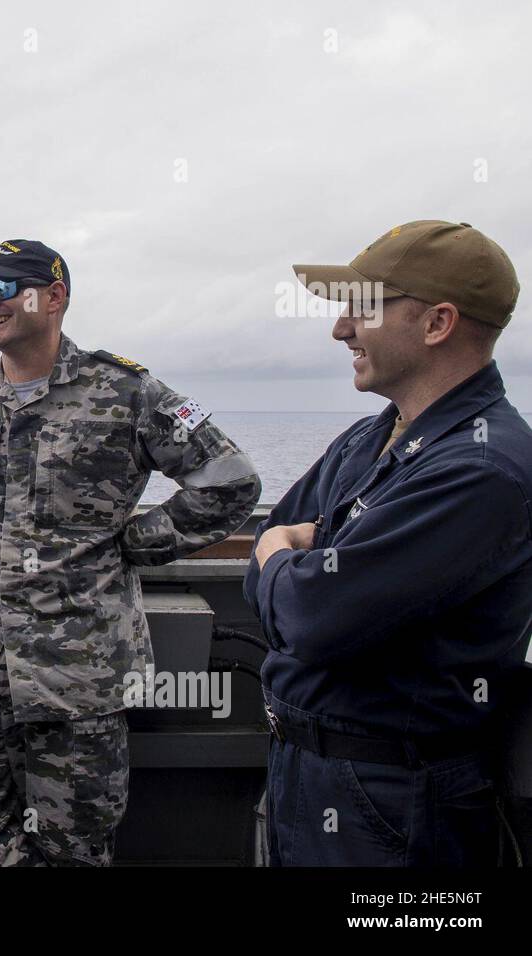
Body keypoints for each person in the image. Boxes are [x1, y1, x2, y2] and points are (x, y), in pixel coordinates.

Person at [0, 239, 261, 865]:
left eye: (1, 289)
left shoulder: (128, 392)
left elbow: (231, 480)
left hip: (81, 672)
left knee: (74, 845)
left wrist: (135, 542)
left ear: (54, 297)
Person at [244, 220, 532, 866]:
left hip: (391, 806)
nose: (341, 329)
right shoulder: (368, 440)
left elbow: (314, 618)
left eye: (363, 308)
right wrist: (287, 560)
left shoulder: (483, 471)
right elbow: (268, 559)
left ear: (437, 324)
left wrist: (285, 558)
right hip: (304, 777)